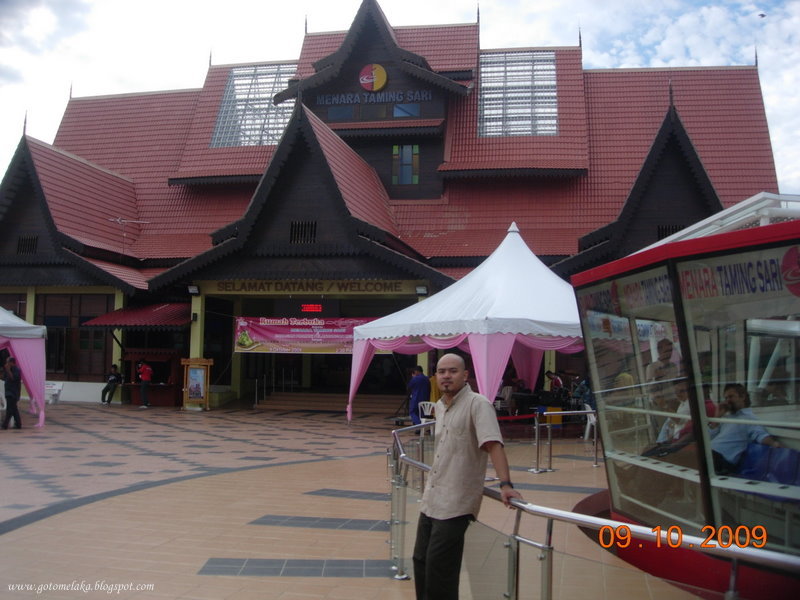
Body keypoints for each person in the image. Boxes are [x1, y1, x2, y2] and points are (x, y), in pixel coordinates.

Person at [412, 353, 523, 600]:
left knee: (440, 567)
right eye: (441, 372)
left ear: (465, 375)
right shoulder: (440, 406)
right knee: (420, 560)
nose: (446, 376)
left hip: (457, 502)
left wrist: (505, 484)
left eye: (452, 371)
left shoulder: (478, 404)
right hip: (432, 498)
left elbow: (493, 444)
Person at [709, 383, 780, 474]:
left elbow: (760, 435)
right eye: (726, 398)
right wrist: (717, 417)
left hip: (723, 461)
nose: (727, 401)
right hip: (711, 454)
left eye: (731, 397)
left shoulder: (749, 418)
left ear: (742, 397)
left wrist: (774, 443)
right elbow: (708, 437)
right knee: (693, 450)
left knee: (693, 454)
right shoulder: (727, 418)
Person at [1, 356, 22, 430]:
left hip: (13, 392)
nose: (6, 364)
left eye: (8, 362)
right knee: (13, 408)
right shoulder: (7, 369)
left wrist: (8, 370)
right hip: (8, 391)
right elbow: (4, 378)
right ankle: (18, 424)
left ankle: (5, 425)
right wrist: (6, 370)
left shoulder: (17, 369)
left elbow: (14, 379)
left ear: (11, 362)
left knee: (10, 409)